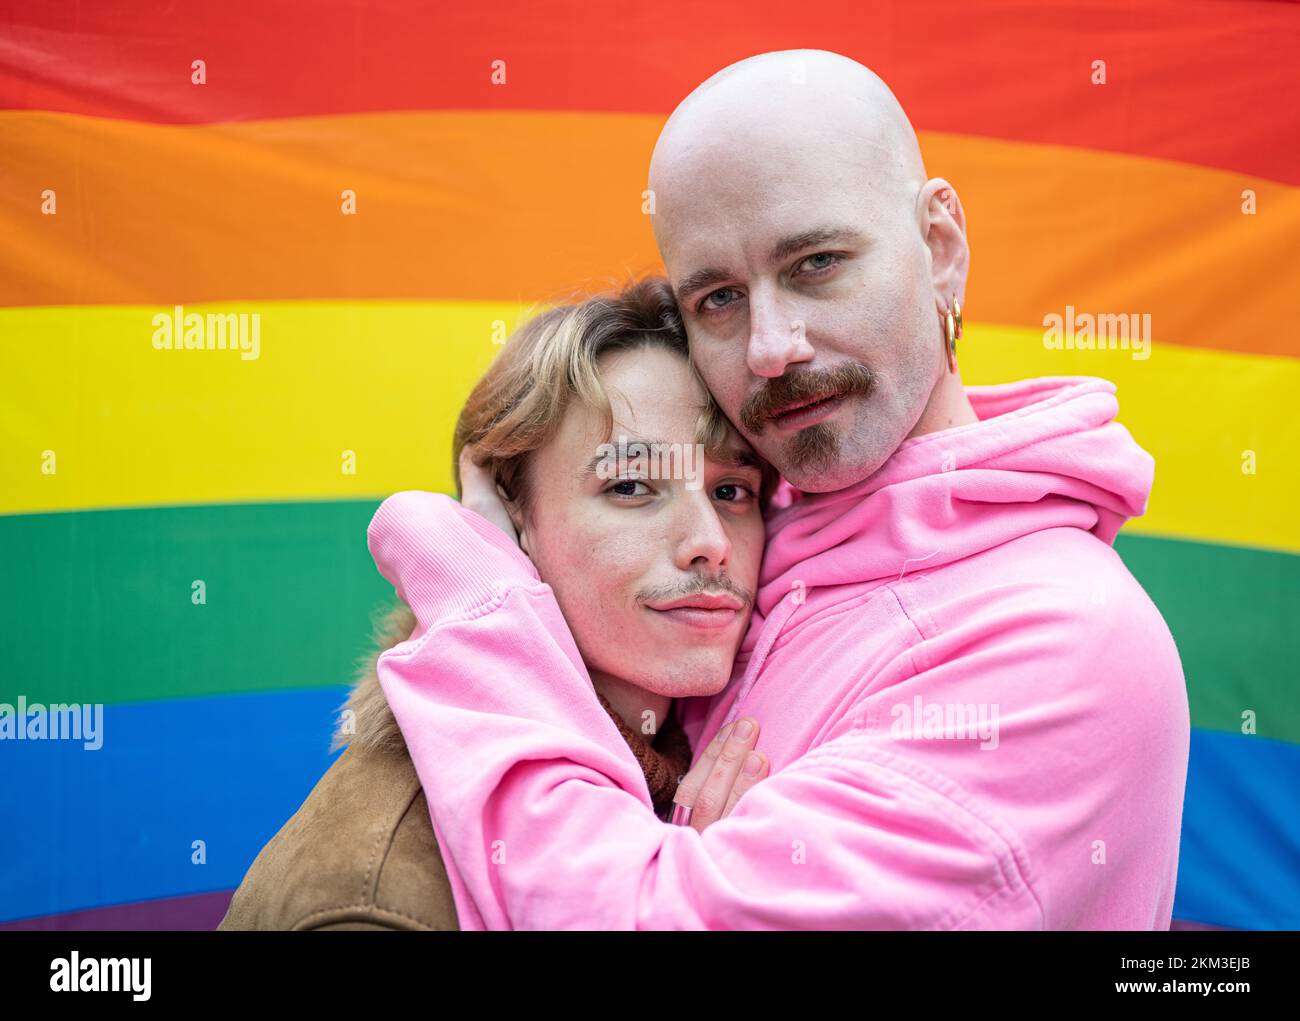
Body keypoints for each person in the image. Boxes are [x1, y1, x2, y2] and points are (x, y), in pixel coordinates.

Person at [367, 48, 1190, 930]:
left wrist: (474, 589)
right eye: (718, 298)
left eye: (816, 263)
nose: (770, 347)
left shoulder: (1061, 646)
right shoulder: (760, 530)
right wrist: (679, 839)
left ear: (940, 246)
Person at [218, 277, 778, 930]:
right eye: (630, 485)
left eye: (733, 490)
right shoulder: (374, 898)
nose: (709, 543)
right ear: (508, 526)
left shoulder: (694, 773)